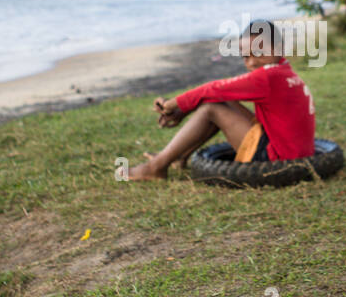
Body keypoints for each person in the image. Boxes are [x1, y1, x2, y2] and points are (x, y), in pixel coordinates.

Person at [127, 20, 314, 180]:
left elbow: (213, 87)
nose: (251, 62)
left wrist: (171, 104)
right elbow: (220, 93)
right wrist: (183, 111)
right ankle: (179, 156)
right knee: (223, 99)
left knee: (212, 109)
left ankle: (155, 168)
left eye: (259, 53)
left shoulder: (268, 77)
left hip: (277, 159)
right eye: (246, 57)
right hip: (291, 151)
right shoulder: (284, 72)